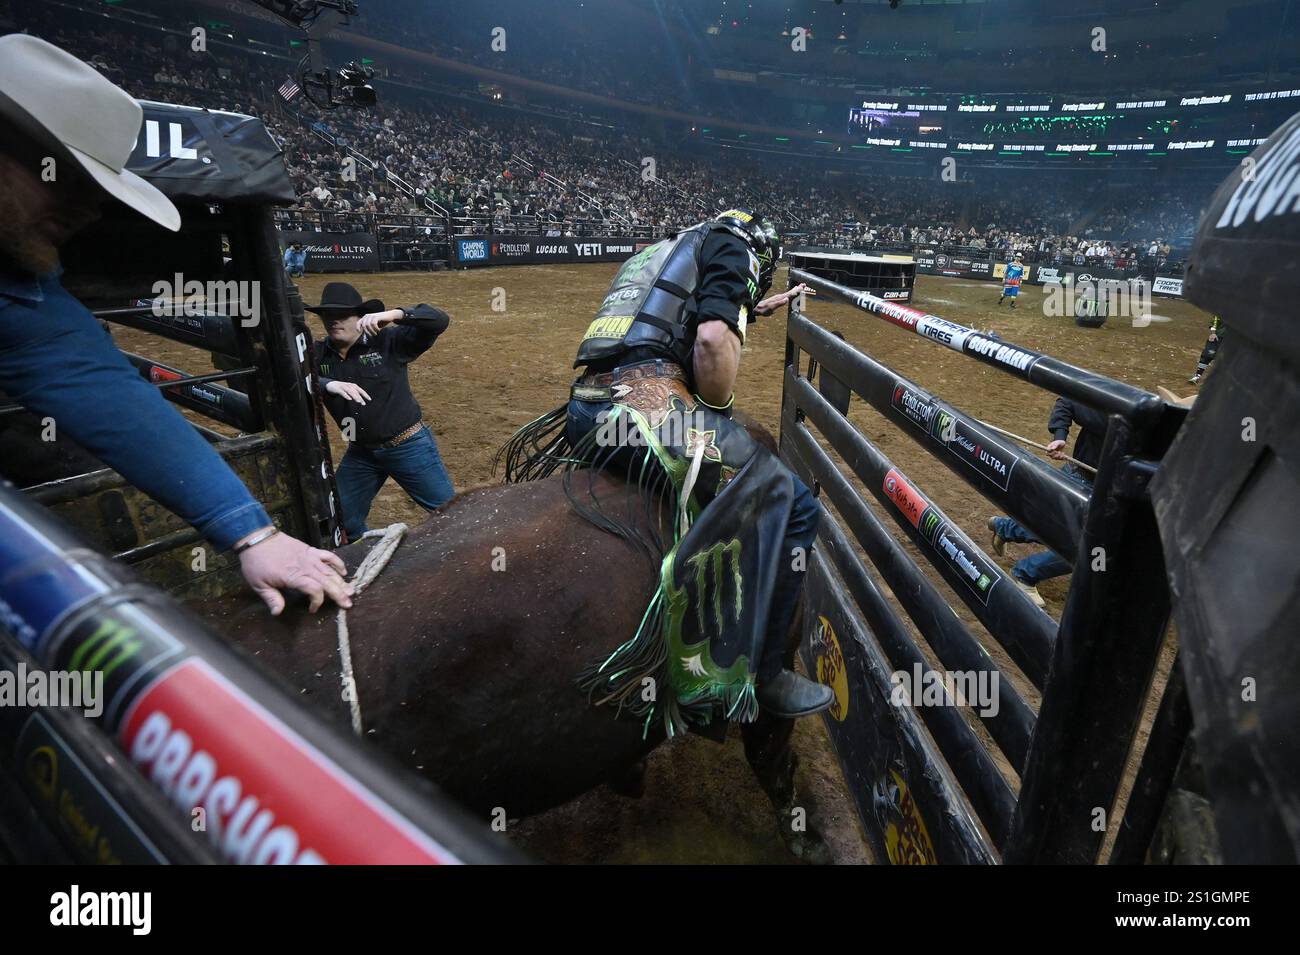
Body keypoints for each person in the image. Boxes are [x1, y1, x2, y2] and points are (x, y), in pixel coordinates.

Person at [0, 35, 351, 616]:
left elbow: (96, 384)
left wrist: (250, 531)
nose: (89, 212)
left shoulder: (19, 285)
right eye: (68, 179)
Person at [509, 208, 832, 730]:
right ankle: (766, 673)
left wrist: (758, 307)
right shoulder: (735, 241)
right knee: (791, 501)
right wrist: (715, 409)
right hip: (644, 407)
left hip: (587, 406)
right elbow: (708, 340)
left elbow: (672, 317)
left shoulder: (663, 251)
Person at [310, 282, 454, 540]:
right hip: (362, 452)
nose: (333, 321)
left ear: (361, 317)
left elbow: (438, 320)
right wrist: (327, 383)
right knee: (341, 516)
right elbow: (289, 377)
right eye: (327, 316)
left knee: (454, 514)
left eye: (342, 315)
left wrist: (396, 314)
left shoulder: (390, 341)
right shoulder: (318, 355)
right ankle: (366, 560)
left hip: (407, 446)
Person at [987, 397, 1105, 608]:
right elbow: (1068, 401)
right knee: (1087, 547)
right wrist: (1060, 435)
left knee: (1062, 531)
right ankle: (1025, 574)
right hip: (1081, 483)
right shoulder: (1127, 416)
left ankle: (1004, 528)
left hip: (1109, 492)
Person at [1188, 314, 1223, 384]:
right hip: (1218, 337)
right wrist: (1213, 333)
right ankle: (1197, 376)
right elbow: (1215, 321)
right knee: (1207, 355)